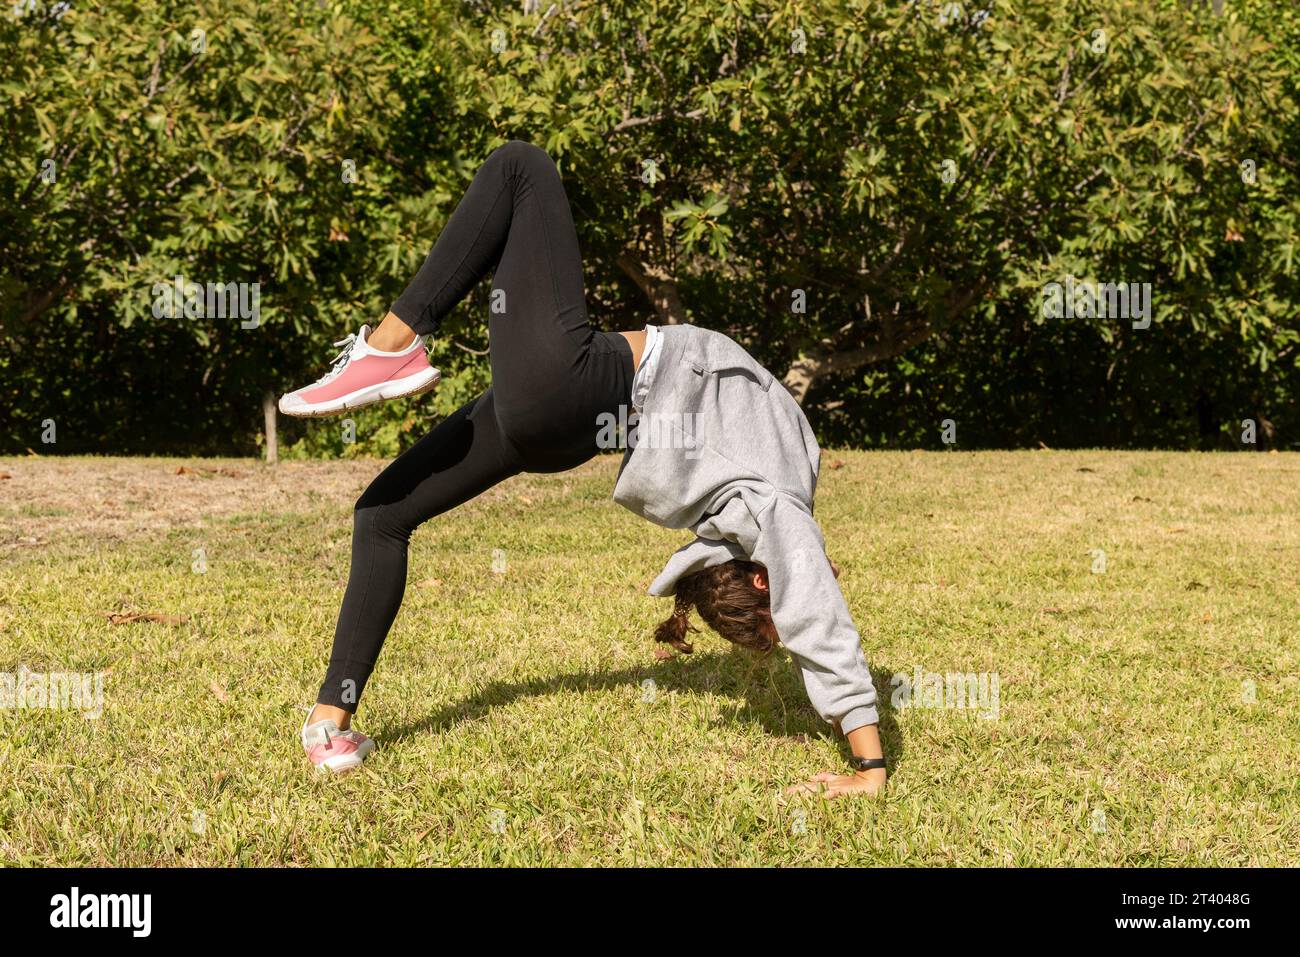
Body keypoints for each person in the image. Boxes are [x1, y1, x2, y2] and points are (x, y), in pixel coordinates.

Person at [280, 141, 886, 797]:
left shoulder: (778, 504)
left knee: (521, 167)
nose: (832, 569)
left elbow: (816, 618)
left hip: (576, 386)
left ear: (764, 579)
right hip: (555, 427)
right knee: (382, 514)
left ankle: (388, 345)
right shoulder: (747, 512)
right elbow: (800, 605)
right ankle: (329, 727)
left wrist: (870, 767)